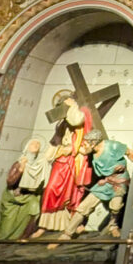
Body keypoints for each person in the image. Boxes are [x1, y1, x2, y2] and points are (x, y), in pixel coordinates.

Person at [36, 94, 98, 237]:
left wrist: (73, 106)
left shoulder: (80, 114)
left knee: (73, 192)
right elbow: (55, 141)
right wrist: (47, 157)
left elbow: (77, 120)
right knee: (51, 189)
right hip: (61, 158)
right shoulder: (62, 123)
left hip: (75, 159)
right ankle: (44, 225)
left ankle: (72, 224)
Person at [0, 140, 49, 242]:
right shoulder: (19, 163)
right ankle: (1, 242)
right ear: (27, 147)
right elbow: (10, 182)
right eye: (33, 143)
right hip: (13, 197)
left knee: (35, 206)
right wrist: (21, 170)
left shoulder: (38, 165)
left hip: (28, 196)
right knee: (7, 226)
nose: (36, 145)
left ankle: (24, 236)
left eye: (38, 144)